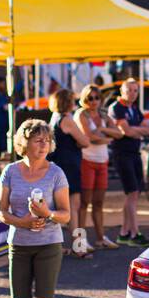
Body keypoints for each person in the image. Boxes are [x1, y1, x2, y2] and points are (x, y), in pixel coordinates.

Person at [0, 119, 71, 298]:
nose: (43, 145)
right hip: (19, 243)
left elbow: (66, 215)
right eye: (37, 140)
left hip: (49, 243)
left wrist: (47, 213)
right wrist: (23, 221)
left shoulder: (56, 173)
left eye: (46, 140)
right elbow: (1, 211)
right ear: (24, 143)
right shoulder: (11, 172)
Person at [75, 84, 120, 249]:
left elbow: (119, 133)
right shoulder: (81, 114)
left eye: (96, 98)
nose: (93, 101)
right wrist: (107, 138)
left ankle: (100, 237)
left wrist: (102, 129)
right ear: (84, 99)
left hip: (102, 161)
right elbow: (89, 137)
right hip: (87, 160)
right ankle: (80, 240)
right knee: (84, 202)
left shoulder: (103, 115)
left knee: (99, 202)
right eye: (90, 98)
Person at [50, 88, 93, 257]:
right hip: (69, 166)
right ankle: (79, 247)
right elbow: (85, 141)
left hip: (58, 164)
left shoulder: (54, 118)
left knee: (59, 208)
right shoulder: (67, 119)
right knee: (73, 208)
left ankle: (60, 246)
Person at [110, 78, 149, 246]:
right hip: (122, 154)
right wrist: (136, 131)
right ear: (122, 91)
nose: (132, 94)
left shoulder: (134, 108)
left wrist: (136, 131)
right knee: (132, 192)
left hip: (135, 152)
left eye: (135, 90)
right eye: (129, 90)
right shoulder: (117, 108)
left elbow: (147, 128)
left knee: (134, 193)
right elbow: (125, 131)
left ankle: (124, 232)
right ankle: (135, 233)